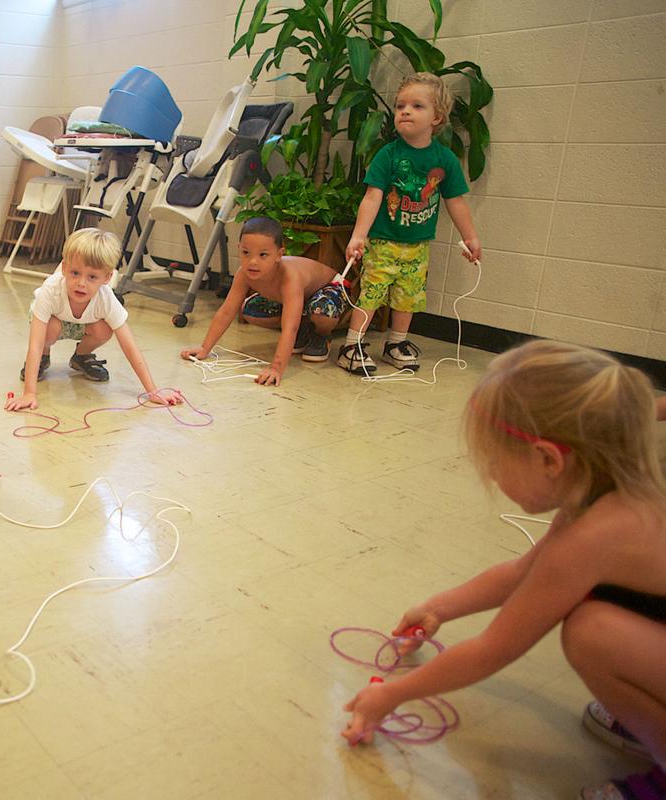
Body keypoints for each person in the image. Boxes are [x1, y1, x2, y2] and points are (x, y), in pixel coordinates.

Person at [340, 340, 666, 798]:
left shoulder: (597, 535)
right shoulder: (601, 499)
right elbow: (522, 573)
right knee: (594, 625)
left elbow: (494, 649)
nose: (490, 476)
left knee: (591, 634)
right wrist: (440, 607)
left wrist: (390, 696)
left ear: (548, 459)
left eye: (494, 461)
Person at [339, 72, 481, 375]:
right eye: (401, 105)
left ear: (437, 117)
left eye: (417, 106)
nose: (405, 111)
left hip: (418, 245)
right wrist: (358, 236)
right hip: (382, 242)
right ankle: (353, 345)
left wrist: (470, 237)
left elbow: (455, 201)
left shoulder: (445, 160)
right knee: (372, 293)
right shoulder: (387, 155)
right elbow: (372, 198)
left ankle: (397, 343)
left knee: (409, 296)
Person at [5, 227, 182, 411]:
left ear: (107, 277)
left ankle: (81, 357)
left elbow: (129, 345)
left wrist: (152, 391)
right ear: (64, 268)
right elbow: (35, 344)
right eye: (75, 273)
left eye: (92, 277)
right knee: (50, 329)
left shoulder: (106, 299)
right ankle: (45, 356)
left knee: (105, 328)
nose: (81, 283)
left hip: (83, 324)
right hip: (52, 322)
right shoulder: (51, 290)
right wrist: (29, 394)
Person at [179, 216, 347, 385]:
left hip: (331, 286)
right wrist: (205, 348)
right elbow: (227, 311)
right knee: (250, 310)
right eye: (246, 253)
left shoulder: (290, 278)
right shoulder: (243, 273)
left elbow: (290, 327)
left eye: (263, 255)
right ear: (239, 249)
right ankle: (306, 327)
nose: (253, 262)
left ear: (279, 255)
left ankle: (321, 336)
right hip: (297, 300)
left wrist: (276, 368)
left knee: (321, 312)